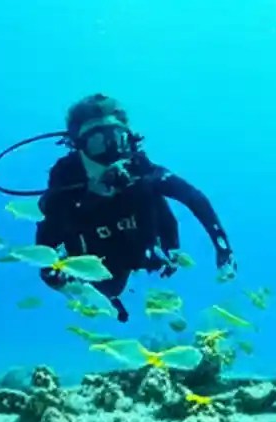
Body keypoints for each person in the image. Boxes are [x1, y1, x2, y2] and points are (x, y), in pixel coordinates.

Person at [32, 94, 237, 322]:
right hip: (93, 262)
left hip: (149, 254)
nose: (112, 153)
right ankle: (109, 304)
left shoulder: (141, 168)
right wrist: (90, 198)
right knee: (105, 290)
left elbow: (193, 197)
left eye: (119, 139)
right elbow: (46, 241)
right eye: (98, 142)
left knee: (149, 192)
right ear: (78, 146)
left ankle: (154, 267)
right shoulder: (66, 181)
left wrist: (223, 249)